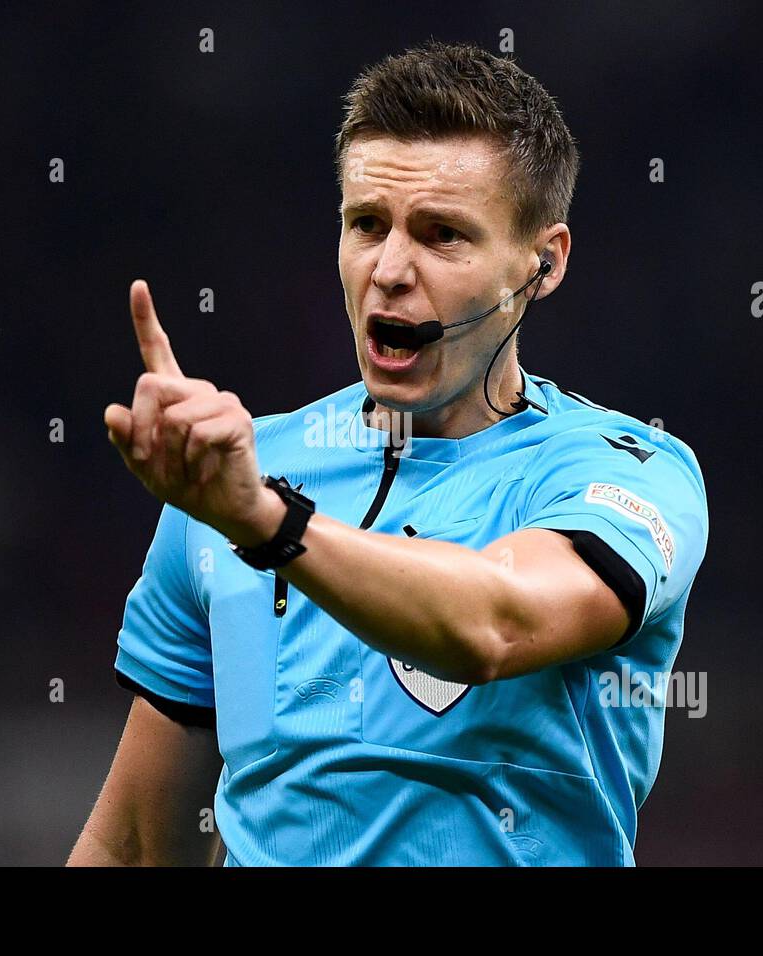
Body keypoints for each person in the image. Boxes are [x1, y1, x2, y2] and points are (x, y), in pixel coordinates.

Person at [68, 39, 708, 867]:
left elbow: (494, 623)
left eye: (442, 236)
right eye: (366, 225)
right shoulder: (226, 480)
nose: (390, 270)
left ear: (542, 265)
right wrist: (243, 508)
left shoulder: (625, 471)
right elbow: (132, 849)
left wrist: (267, 521)